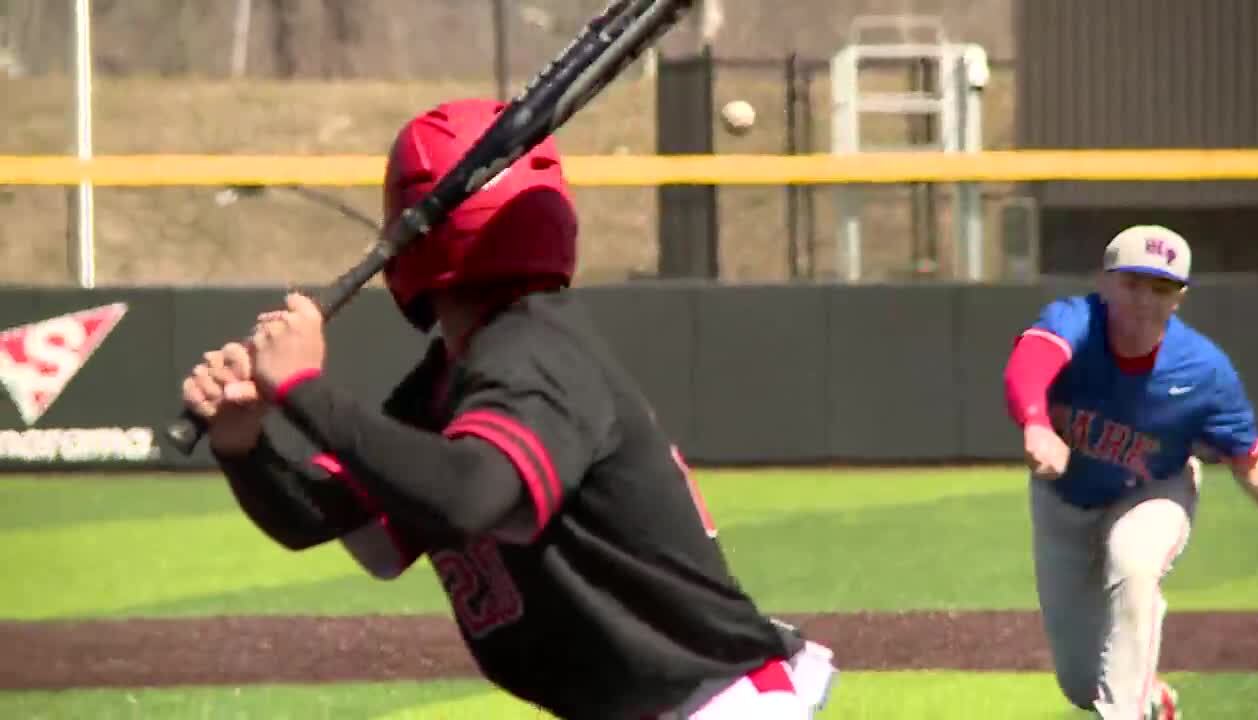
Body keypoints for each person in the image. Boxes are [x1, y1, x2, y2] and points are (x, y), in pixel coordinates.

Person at [181, 97, 836, 720]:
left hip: (714, 703)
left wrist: (302, 389)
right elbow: (315, 515)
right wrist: (244, 446)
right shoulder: (456, 377)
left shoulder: (535, 352)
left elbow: (473, 495)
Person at [1002, 224, 1258, 720]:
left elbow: (1252, 463)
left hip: (1154, 491)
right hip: (1064, 503)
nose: (1145, 300)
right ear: (1104, 283)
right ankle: (1151, 701)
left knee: (1134, 563)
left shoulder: (1203, 371)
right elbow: (1030, 362)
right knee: (1082, 681)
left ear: (1179, 299)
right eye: (1132, 283)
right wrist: (1037, 423)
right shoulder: (1075, 322)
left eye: (1162, 288)